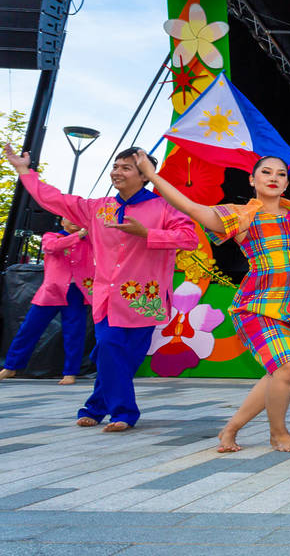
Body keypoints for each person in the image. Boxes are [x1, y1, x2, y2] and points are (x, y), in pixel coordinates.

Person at [138, 152, 290, 452]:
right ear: (253, 179)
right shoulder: (241, 215)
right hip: (255, 305)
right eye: (266, 172)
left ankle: (230, 429)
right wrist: (152, 175)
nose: (273, 177)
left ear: (286, 182)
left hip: (289, 308)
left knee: (279, 371)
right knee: (288, 367)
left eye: (280, 173)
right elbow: (191, 207)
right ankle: (278, 434)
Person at [4, 144, 198, 431]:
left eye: (126, 168)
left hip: (145, 299)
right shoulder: (98, 208)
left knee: (122, 357)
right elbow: (53, 199)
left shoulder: (164, 207)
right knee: (108, 345)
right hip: (106, 297)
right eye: (116, 166)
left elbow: (188, 238)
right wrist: (23, 170)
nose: (117, 172)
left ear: (145, 175)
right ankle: (124, 413)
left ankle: (95, 407)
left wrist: (147, 234)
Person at [0, 220, 94, 385]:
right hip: (52, 291)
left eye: (77, 218)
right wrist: (77, 236)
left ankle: (70, 372)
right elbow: (51, 248)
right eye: (69, 217)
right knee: (29, 329)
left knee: (74, 333)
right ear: (63, 221)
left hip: (75, 292)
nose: (74, 221)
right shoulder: (52, 237)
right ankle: (11, 366)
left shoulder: (89, 240)